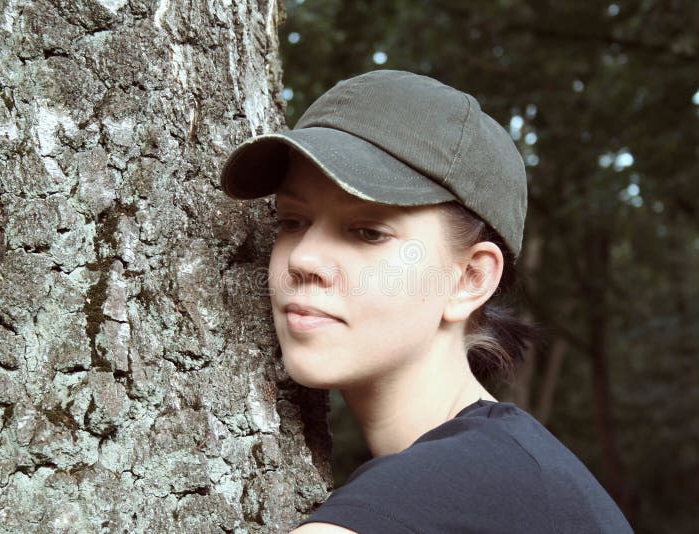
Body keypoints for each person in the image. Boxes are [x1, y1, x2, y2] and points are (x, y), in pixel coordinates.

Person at [219, 70, 633, 533]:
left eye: (368, 232)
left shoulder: (477, 481)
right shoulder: (504, 469)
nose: (303, 258)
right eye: (292, 222)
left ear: (470, 279)